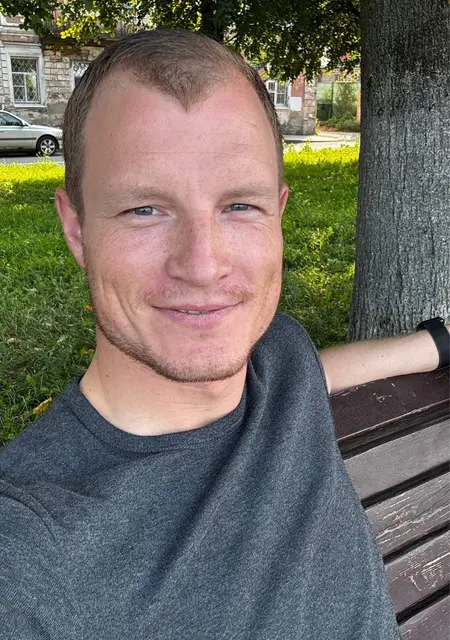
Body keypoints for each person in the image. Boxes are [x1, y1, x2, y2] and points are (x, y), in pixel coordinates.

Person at [0, 29, 448, 640]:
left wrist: (436, 343)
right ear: (76, 229)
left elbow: (320, 370)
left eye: (240, 206)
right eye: (144, 209)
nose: (203, 265)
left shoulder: (277, 355)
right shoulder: (29, 551)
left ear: (278, 214)